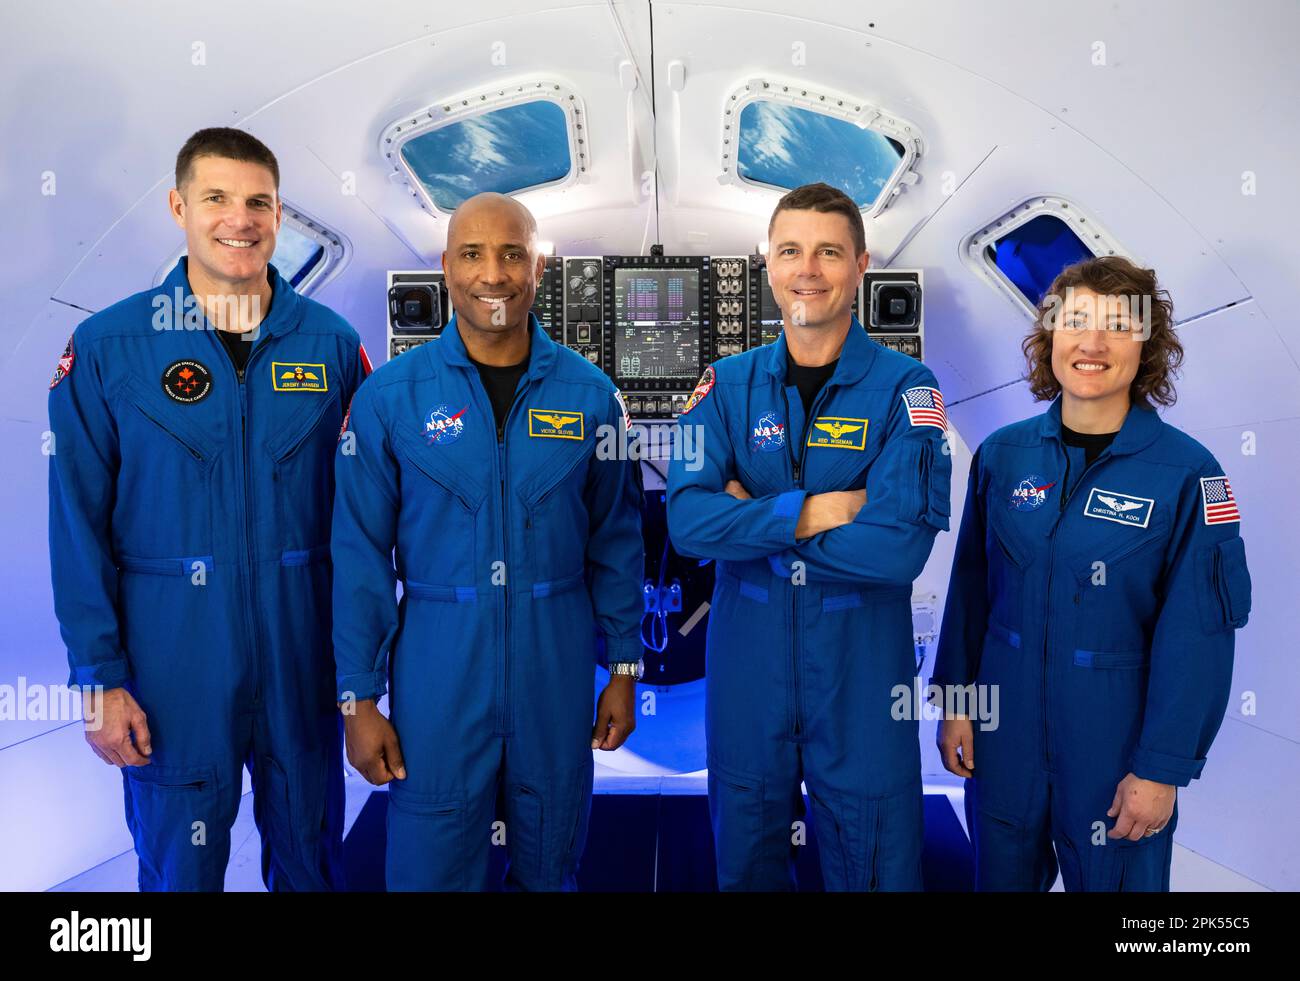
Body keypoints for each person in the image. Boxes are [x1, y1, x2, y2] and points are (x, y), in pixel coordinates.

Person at [48, 127, 370, 890]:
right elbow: (76, 525)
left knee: (312, 862)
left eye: (258, 201)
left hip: (304, 662)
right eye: (217, 198)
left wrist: (367, 673)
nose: (240, 219)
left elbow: (367, 521)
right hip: (172, 674)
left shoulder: (331, 347)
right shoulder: (109, 347)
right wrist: (100, 678)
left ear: (279, 214)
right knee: (180, 871)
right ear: (178, 206)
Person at [331, 192, 645, 891]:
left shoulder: (593, 396)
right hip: (438, 669)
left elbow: (617, 542)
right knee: (429, 868)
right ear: (447, 267)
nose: (493, 273)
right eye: (472, 253)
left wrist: (623, 668)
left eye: (511, 254)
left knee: (552, 859)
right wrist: (359, 699)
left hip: (554, 666)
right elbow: (358, 555)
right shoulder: (390, 399)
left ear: (538, 268)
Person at [932, 256, 1252, 891]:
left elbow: (1199, 638)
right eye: (1075, 321)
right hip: (1006, 739)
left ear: (1147, 346)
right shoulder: (1003, 456)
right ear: (1050, 338)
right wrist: (958, 705)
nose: (1093, 343)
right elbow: (971, 592)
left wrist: (1160, 770)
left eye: (1117, 325)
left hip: (1115, 748)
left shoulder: (1189, 475)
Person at [666, 182, 951, 890]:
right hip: (746, 676)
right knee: (747, 866)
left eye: (828, 252)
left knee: (879, 869)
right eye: (791, 250)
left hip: (861, 675)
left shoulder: (907, 389)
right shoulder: (724, 386)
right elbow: (688, 522)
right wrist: (816, 509)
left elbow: (897, 549)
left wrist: (755, 520)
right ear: (768, 263)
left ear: (861, 263)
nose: (808, 269)